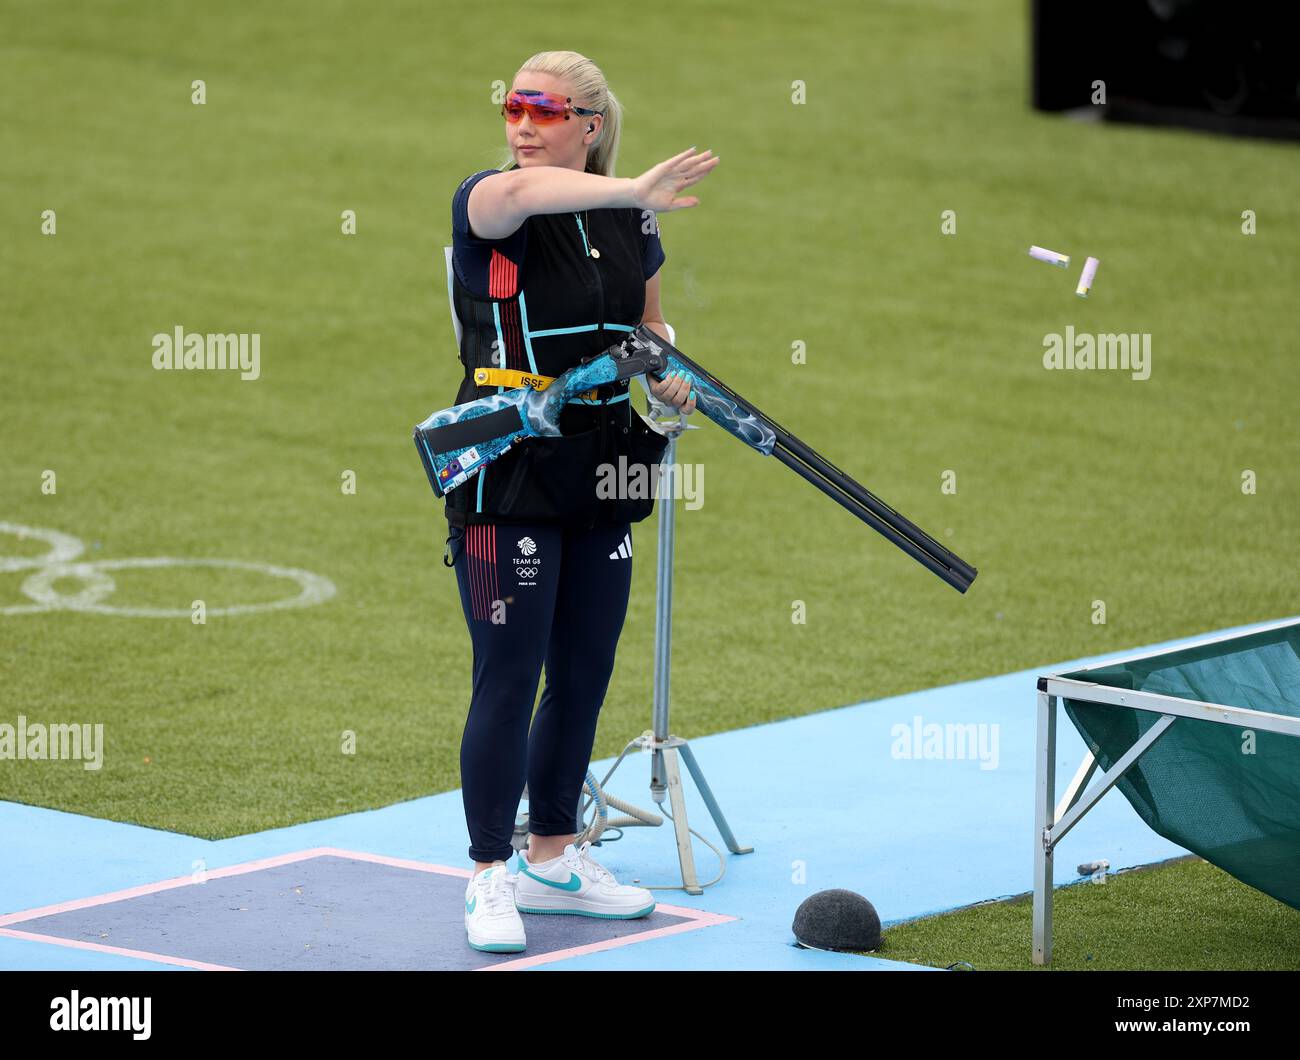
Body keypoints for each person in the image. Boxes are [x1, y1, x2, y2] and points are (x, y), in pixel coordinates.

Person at [445, 50, 720, 953]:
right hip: (510, 466)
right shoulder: (492, 198)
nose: (522, 125)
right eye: (513, 107)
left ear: (589, 125)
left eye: (545, 111)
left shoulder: (631, 217)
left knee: (585, 669)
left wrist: (667, 374)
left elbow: (647, 324)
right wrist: (631, 186)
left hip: (607, 461)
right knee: (508, 673)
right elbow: (524, 196)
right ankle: (489, 870)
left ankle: (553, 856)